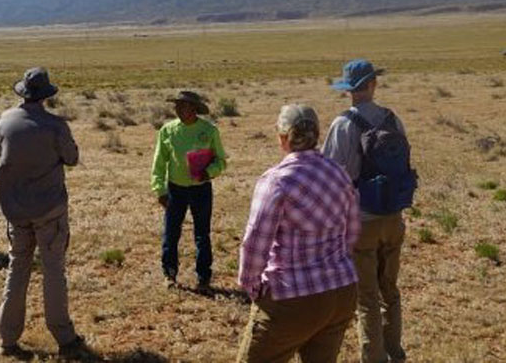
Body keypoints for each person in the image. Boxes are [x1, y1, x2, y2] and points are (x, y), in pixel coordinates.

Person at [237, 105, 360, 363]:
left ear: (282, 138)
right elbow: (352, 232)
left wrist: (251, 285)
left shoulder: (277, 181)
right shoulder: (338, 173)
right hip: (340, 291)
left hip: (292, 296)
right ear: (317, 135)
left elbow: (255, 243)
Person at [322, 60, 412, 363]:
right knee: (390, 290)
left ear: (348, 90)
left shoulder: (343, 124)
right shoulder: (392, 119)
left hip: (361, 221)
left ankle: (374, 358)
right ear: (373, 84)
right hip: (394, 218)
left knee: (367, 298)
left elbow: (332, 176)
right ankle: (394, 352)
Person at [0, 67, 87, 359]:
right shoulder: (55, 126)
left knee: (17, 268)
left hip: (15, 210)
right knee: (53, 271)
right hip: (49, 209)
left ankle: (7, 337)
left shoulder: (5, 121)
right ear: (45, 95)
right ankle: (63, 335)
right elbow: (72, 158)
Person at [151, 90, 227, 290]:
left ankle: (203, 277)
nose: (177, 109)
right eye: (176, 106)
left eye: (182, 106)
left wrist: (208, 172)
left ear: (193, 108)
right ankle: (169, 274)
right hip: (175, 190)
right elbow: (159, 163)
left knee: (202, 234)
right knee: (171, 233)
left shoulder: (209, 130)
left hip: (201, 189)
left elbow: (221, 160)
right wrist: (160, 189)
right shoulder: (167, 130)